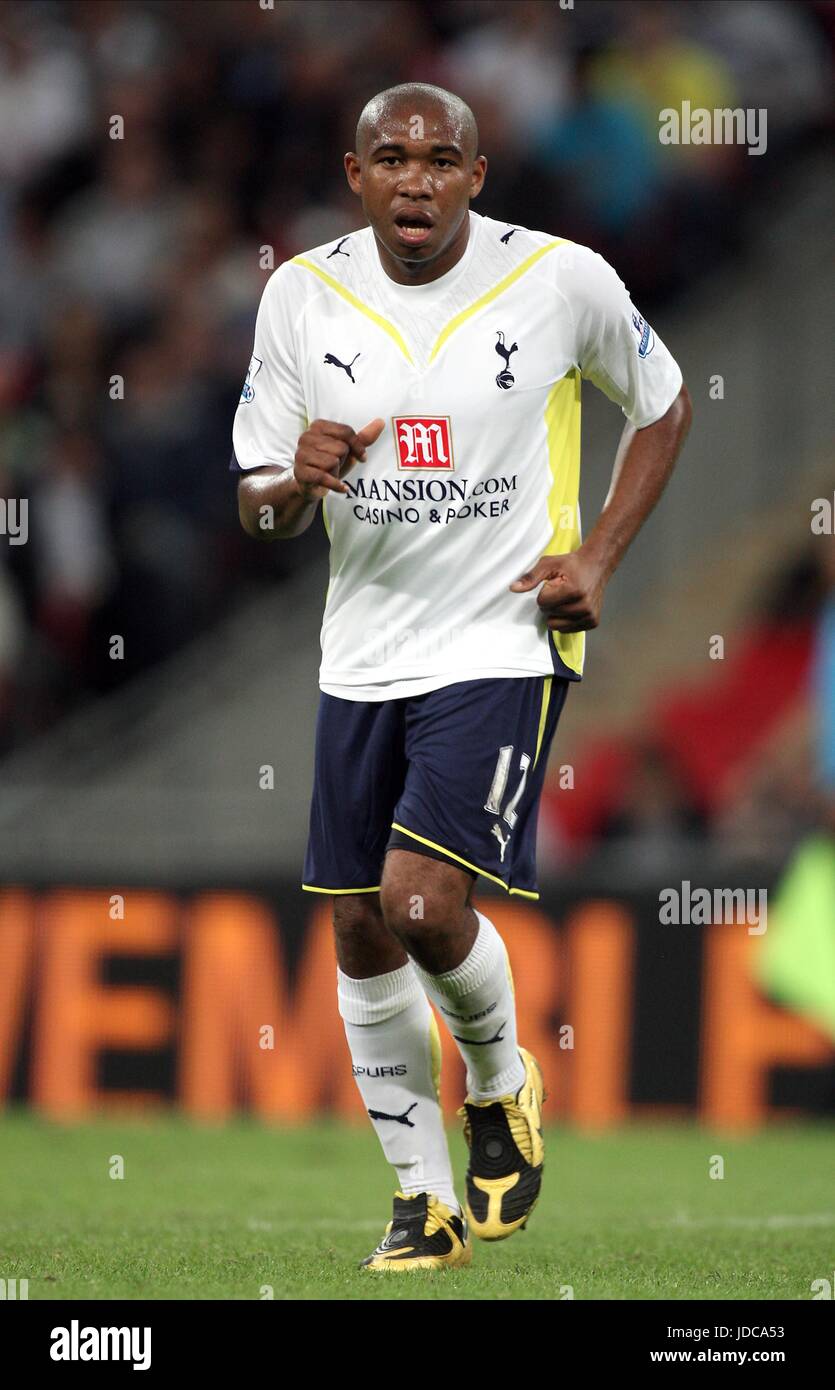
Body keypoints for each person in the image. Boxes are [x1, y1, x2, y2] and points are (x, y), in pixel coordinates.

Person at [232, 82, 691, 1271]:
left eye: (441, 160)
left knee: (421, 904)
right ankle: (421, 1207)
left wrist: (595, 554)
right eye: (393, 159)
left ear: (476, 177)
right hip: (363, 647)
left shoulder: (559, 279)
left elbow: (665, 400)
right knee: (358, 936)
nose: (417, 180)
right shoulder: (302, 295)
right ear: (355, 173)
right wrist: (291, 479)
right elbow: (256, 505)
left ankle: (498, 1079)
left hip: (503, 635)